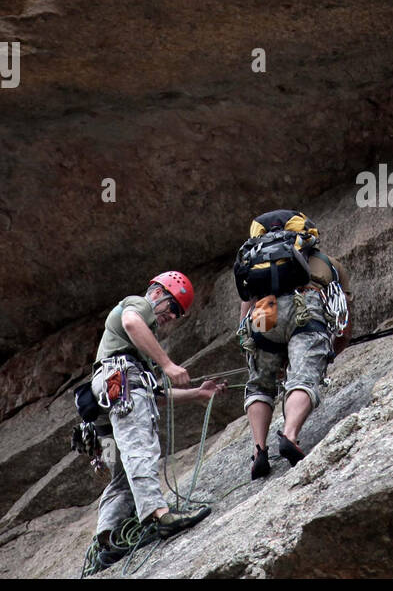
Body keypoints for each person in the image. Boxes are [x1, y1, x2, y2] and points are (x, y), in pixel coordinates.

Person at [88, 271, 224, 567]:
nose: (173, 317)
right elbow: (131, 322)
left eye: (178, 314)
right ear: (160, 293)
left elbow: (152, 393)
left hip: (113, 387)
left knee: (124, 473)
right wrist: (168, 364)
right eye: (173, 308)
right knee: (140, 446)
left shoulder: (136, 351)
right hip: (119, 380)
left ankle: (108, 540)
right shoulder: (139, 305)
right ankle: (158, 516)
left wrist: (198, 394)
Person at [233, 211, 352, 479]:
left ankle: (259, 450)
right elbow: (343, 321)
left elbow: (244, 318)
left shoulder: (256, 264)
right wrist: (330, 351)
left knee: (260, 385)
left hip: (263, 313)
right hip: (306, 309)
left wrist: (251, 343)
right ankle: (289, 436)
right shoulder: (327, 262)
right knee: (303, 377)